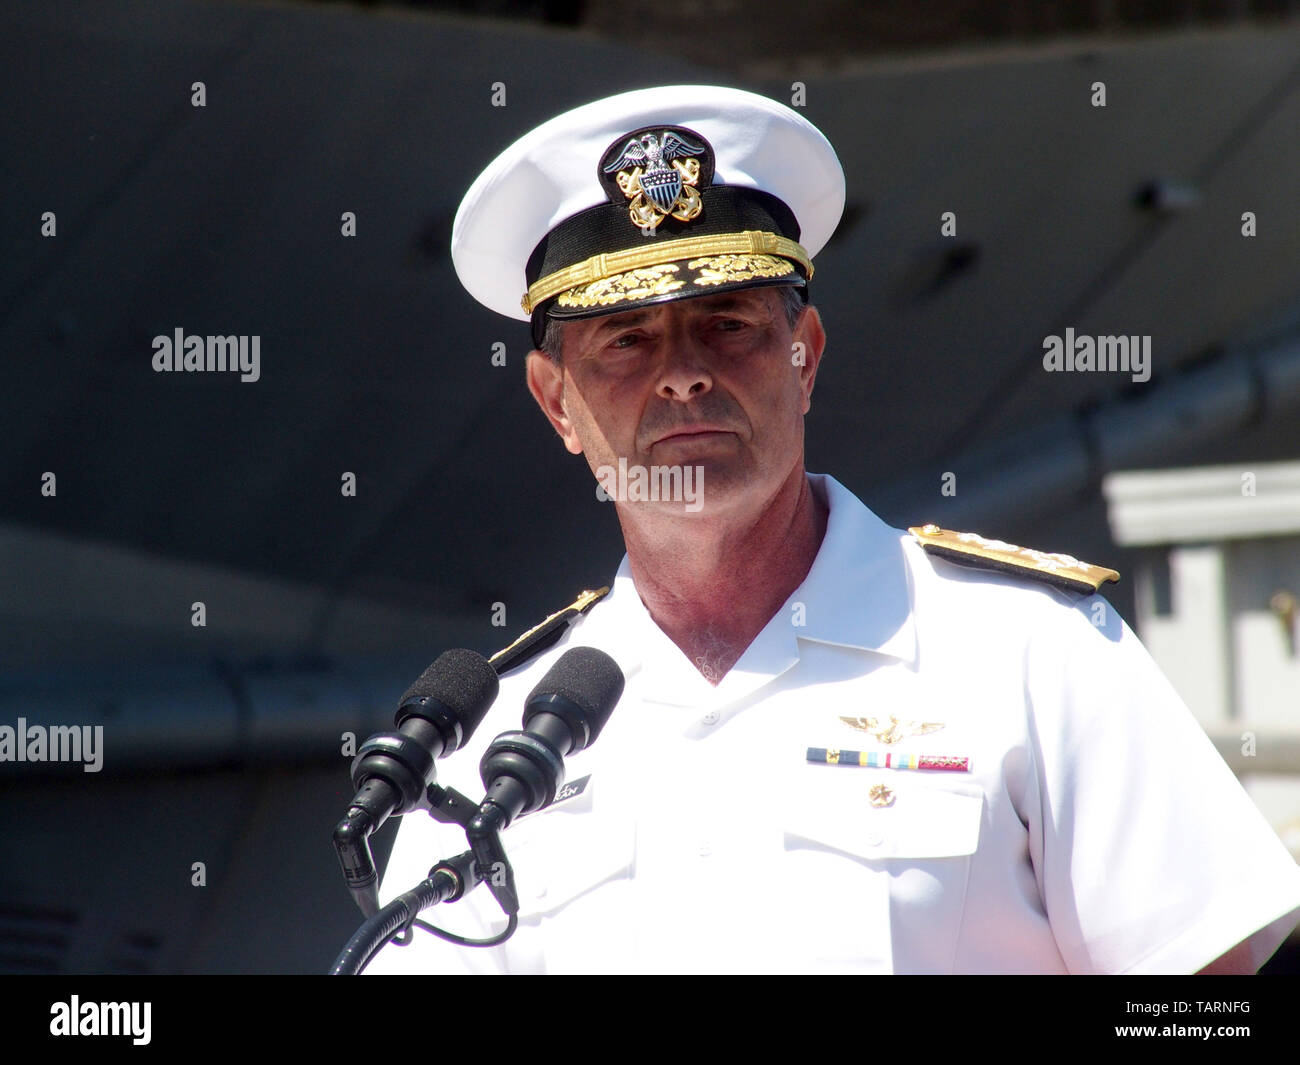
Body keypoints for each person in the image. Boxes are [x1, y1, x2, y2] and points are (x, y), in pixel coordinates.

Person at [366, 85, 1300, 974]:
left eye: (727, 322)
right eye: (625, 339)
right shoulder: (493, 749)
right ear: (556, 401)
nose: (683, 373)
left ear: (804, 357)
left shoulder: (1031, 655)